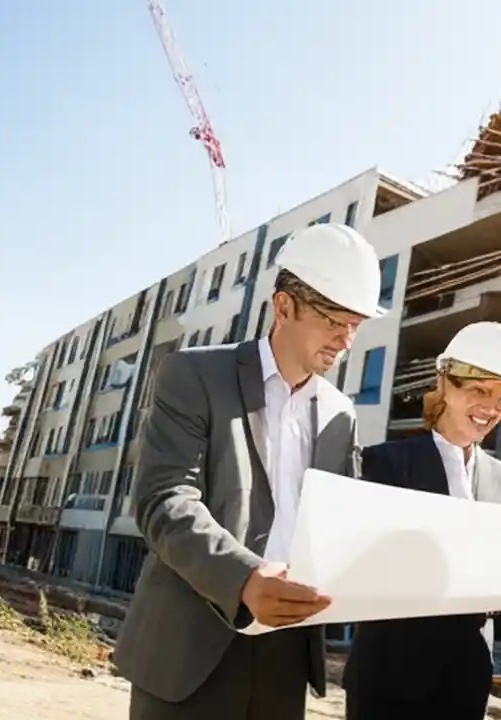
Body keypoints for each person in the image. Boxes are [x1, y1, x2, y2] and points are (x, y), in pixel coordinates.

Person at [114, 223, 388, 719]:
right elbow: (165, 499)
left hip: (285, 658)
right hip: (189, 650)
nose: (346, 341)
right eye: (334, 321)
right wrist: (243, 578)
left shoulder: (340, 415)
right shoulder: (194, 375)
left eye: (356, 325)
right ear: (284, 307)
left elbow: (339, 526)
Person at [342, 321, 501, 720]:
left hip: (467, 685)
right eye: (478, 390)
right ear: (445, 383)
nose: (491, 409)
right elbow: (355, 569)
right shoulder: (382, 464)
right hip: (390, 685)